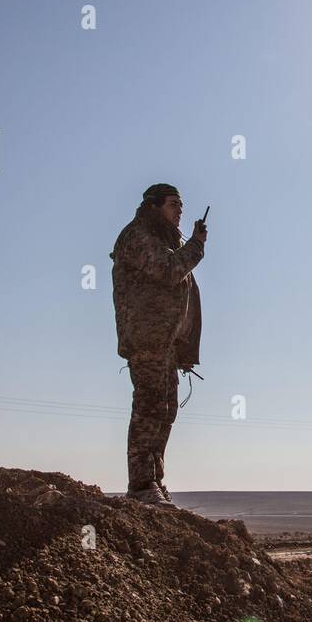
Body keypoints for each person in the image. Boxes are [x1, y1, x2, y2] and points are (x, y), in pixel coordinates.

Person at [109, 183, 207, 506]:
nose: (180, 211)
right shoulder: (138, 237)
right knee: (149, 406)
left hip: (165, 344)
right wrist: (195, 246)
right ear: (154, 206)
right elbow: (168, 271)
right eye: (173, 204)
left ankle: (154, 481)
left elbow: (182, 295)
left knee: (165, 410)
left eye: (181, 205)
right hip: (146, 339)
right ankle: (140, 485)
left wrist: (183, 347)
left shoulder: (166, 242)